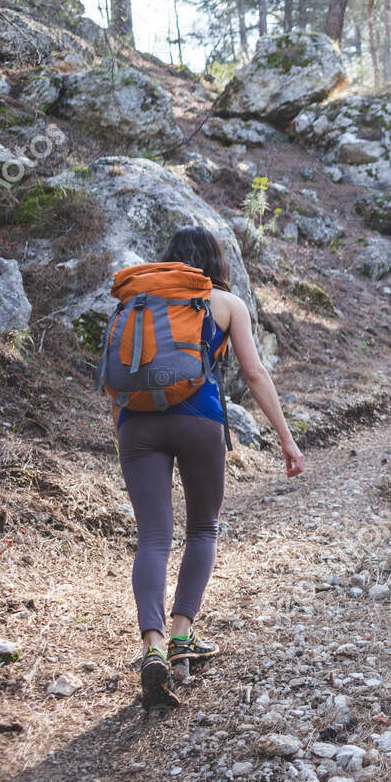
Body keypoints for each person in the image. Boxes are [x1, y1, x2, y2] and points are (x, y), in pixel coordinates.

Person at [115, 227, 304, 712]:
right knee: (202, 528)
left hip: (137, 425)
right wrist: (286, 438)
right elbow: (255, 375)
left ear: (170, 259)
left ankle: (152, 646)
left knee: (154, 536)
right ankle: (183, 635)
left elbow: (115, 374)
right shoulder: (225, 304)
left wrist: (128, 425)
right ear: (217, 262)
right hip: (200, 422)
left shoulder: (137, 297)